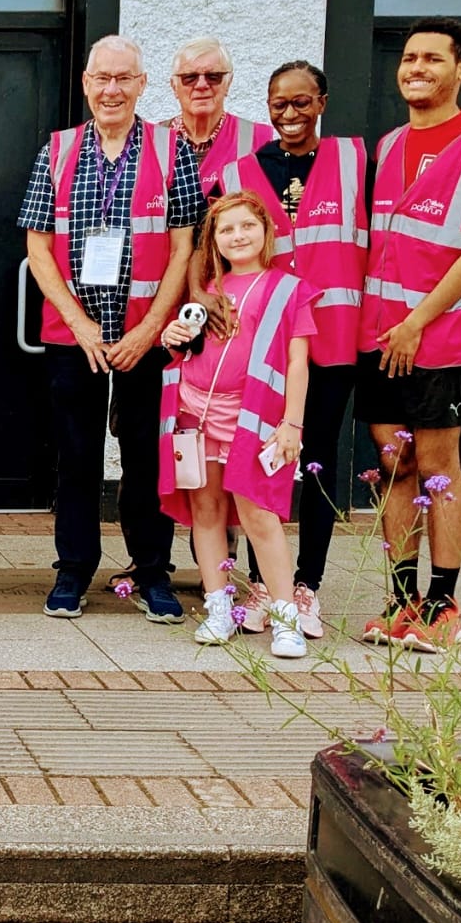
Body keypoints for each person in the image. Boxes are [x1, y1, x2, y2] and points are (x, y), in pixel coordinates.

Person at [19, 34, 207, 622]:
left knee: (147, 459)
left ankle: (153, 573)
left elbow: (185, 248)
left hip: (145, 340)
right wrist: (79, 326)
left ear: (143, 84)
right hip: (75, 338)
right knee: (75, 458)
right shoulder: (57, 150)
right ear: (85, 83)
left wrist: (149, 330)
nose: (112, 89)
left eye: (124, 78)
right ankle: (73, 571)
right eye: (102, 78)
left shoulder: (171, 150)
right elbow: (38, 245)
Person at [356, 18, 461, 652]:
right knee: (393, 463)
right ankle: (401, 602)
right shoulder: (390, 143)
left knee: (436, 466)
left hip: (437, 337)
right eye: (408, 57)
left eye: (432, 58)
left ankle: (443, 603)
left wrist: (417, 321)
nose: (415, 67)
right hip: (380, 335)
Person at [207, 61, 367, 640]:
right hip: (262, 345)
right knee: (257, 464)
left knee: (317, 460)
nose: (290, 113)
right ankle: (259, 583)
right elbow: (213, 249)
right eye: (279, 103)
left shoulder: (356, 161)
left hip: (337, 336)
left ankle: (306, 586)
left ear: (321, 101)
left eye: (302, 102)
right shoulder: (239, 172)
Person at [157, 192, 315, 659]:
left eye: (247, 225)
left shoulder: (288, 289)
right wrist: (172, 336)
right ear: (214, 240)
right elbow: (187, 350)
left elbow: (298, 362)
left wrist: (292, 424)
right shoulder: (205, 292)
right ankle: (219, 608)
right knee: (206, 512)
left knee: (258, 516)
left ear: (266, 231)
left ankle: (286, 619)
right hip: (195, 414)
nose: (237, 236)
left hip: (253, 422)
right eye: (226, 230)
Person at [167, 37, 278, 187]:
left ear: (228, 83)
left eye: (213, 77)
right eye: (189, 77)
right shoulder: (151, 142)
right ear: (174, 86)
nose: (201, 85)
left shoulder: (259, 140)